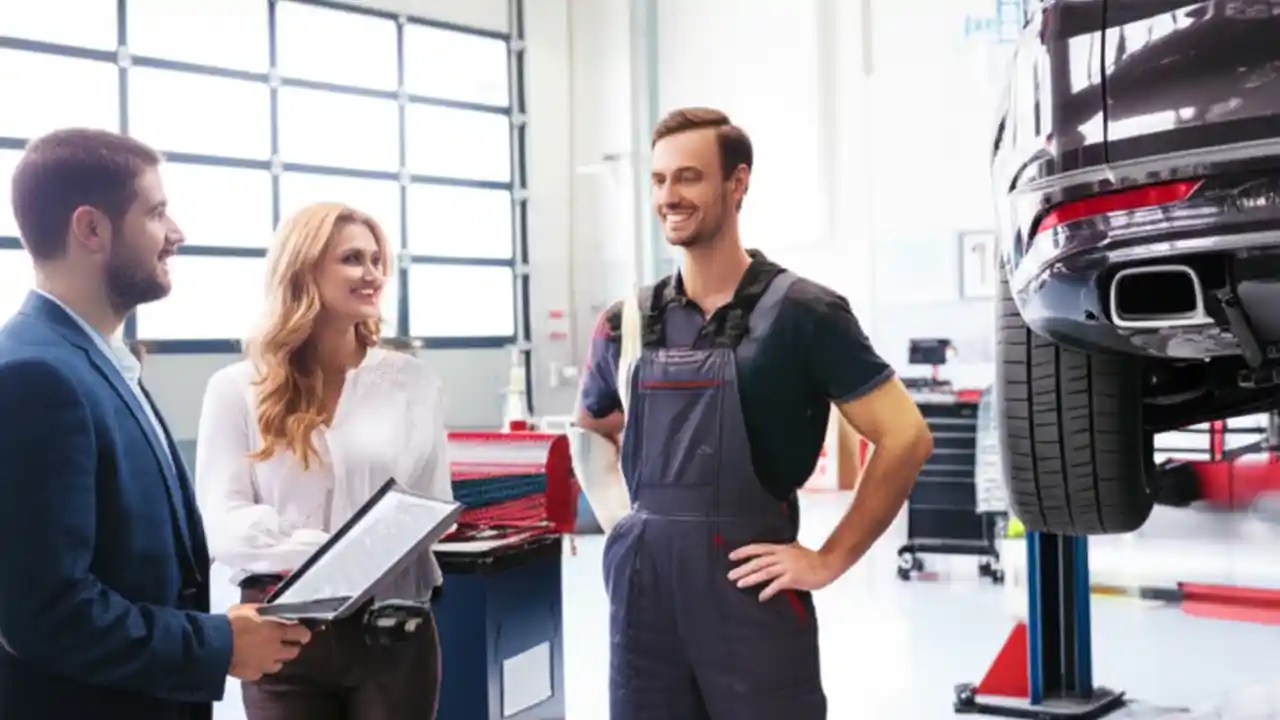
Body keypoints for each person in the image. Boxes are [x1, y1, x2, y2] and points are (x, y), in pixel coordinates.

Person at [576, 107, 935, 720]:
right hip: (644, 597)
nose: (669, 197)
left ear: (737, 182)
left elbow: (906, 437)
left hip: (749, 589)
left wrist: (828, 559)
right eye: (659, 180)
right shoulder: (625, 321)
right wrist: (624, 524)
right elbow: (592, 429)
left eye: (688, 177)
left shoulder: (803, 314)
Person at [0, 128, 312, 720]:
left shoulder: (97, 362)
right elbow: (46, 613)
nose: (177, 235)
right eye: (157, 213)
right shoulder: (37, 377)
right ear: (90, 228)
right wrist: (218, 644)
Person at [195, 202, 453, 720]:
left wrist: (292, 539)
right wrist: (336, 554)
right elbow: (223, 526)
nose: (372, 273)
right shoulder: (235, 389)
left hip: (393, 635)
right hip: (282, 633)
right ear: (304, 268)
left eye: (378, 259)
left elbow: (429, 510)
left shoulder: (413, 383)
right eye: (352, 259)